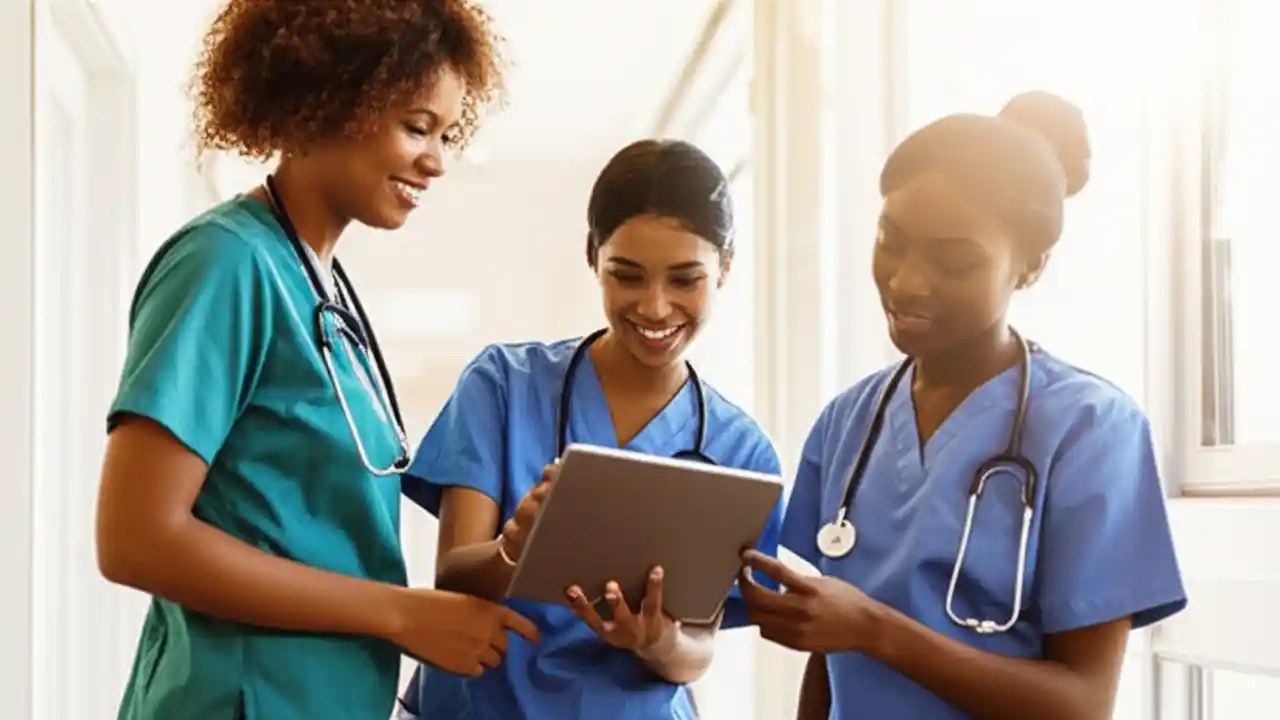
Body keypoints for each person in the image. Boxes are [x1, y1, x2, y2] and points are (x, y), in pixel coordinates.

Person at [93, 3, 538, 719]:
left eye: (447, 134)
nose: (437, 161)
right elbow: (135, 539)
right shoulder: (226, 263)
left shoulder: (322, 287)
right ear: (325, 100)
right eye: (416, 126)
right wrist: (400, 613)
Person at [737, 91, 1187, 719]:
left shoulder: (1091, 429)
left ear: (1029, 267)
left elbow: (1082, 705)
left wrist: (876, 631)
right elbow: (830, 654)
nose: (906, 281)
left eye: (953, 261)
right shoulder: (849, 421)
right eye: (890, 240)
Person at [397, 138, 786, 719]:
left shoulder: (739, 450)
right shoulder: (503, 385)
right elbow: (452, 574)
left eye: (685, 280)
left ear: (724, 268)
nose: (655, 307)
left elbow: (697, 648)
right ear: (592, 256)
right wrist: (511, 550)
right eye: (627, 276)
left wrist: (656, 641)